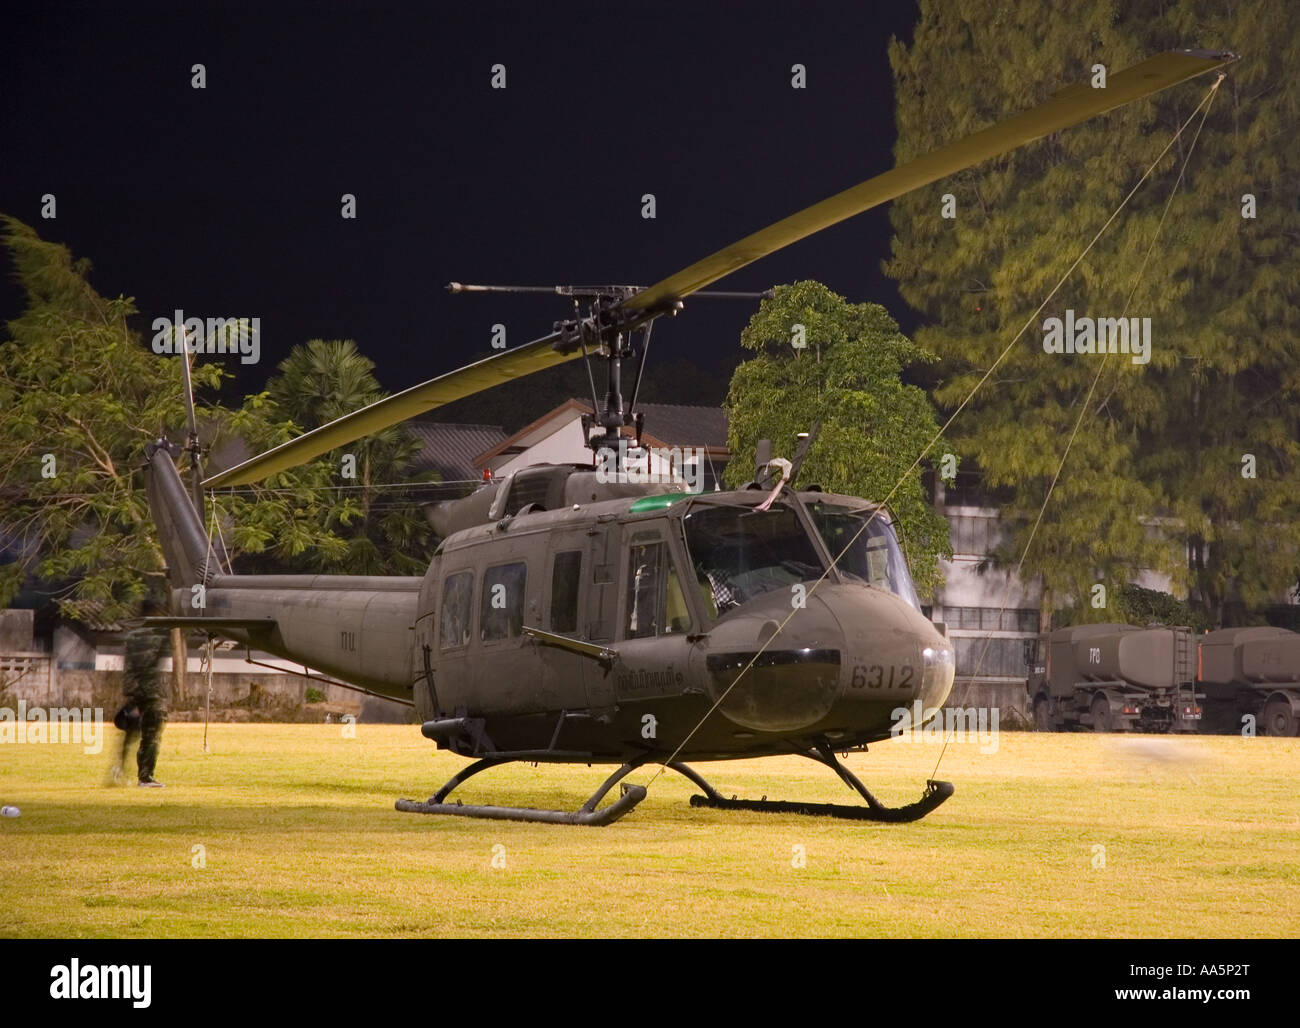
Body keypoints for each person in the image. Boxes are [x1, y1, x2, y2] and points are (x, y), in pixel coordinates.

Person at [115, 595, 171, 787]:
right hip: (152, 692)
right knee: (152, 734)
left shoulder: (132, 636)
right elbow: (156, 662)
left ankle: (119, 770)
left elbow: (130, 666)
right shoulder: (159, 636)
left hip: (134, 691)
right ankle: (145, 777)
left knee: (130, 734)